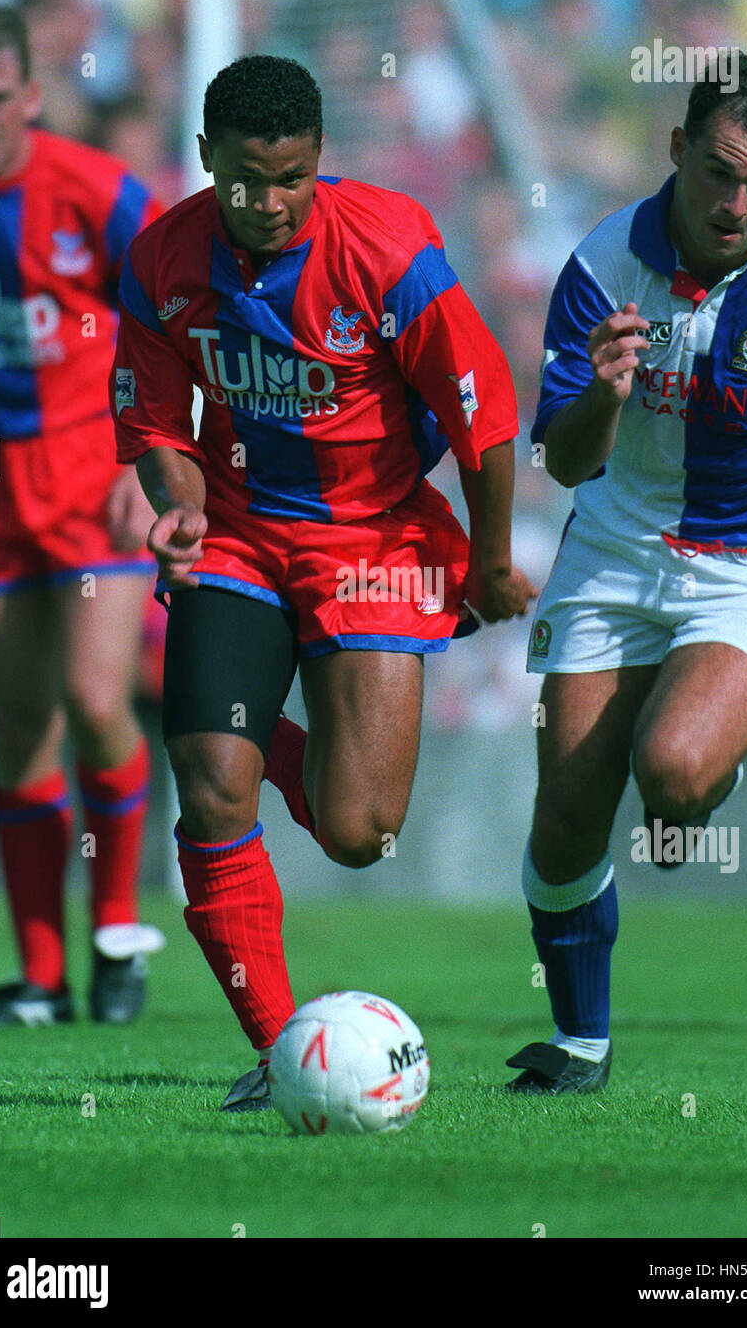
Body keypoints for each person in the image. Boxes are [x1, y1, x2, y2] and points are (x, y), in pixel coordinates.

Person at [110, 54, 534, 1110]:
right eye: (245, 179)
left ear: (317, 163)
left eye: (290, 177)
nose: (266, 202)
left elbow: (482, 414)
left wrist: (484, 560)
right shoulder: (163, 257)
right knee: (210, 785)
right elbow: (157, 424)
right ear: (206, 159)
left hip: (375, 540)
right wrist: (181, 500)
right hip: (240, 536)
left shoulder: (388, 249)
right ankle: (276, 1052)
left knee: (357, 832)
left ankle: (250, 740)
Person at [510, 53, 747, 1094]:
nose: (736, 204)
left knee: (675, 770)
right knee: (564, 811)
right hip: (616, 543)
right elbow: (560, 459)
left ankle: (700, 772)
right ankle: (579, 1044)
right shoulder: (601, 264)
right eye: (719, 174)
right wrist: (601, 392)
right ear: (675, 148)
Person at [0, 3, 165, 1026]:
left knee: (96, 699)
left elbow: (181, 303)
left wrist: (153, 458)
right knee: (18, 729)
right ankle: (40, 978)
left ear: (31, 98)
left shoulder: (96, 191)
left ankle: (116, 931)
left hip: (93, 483)